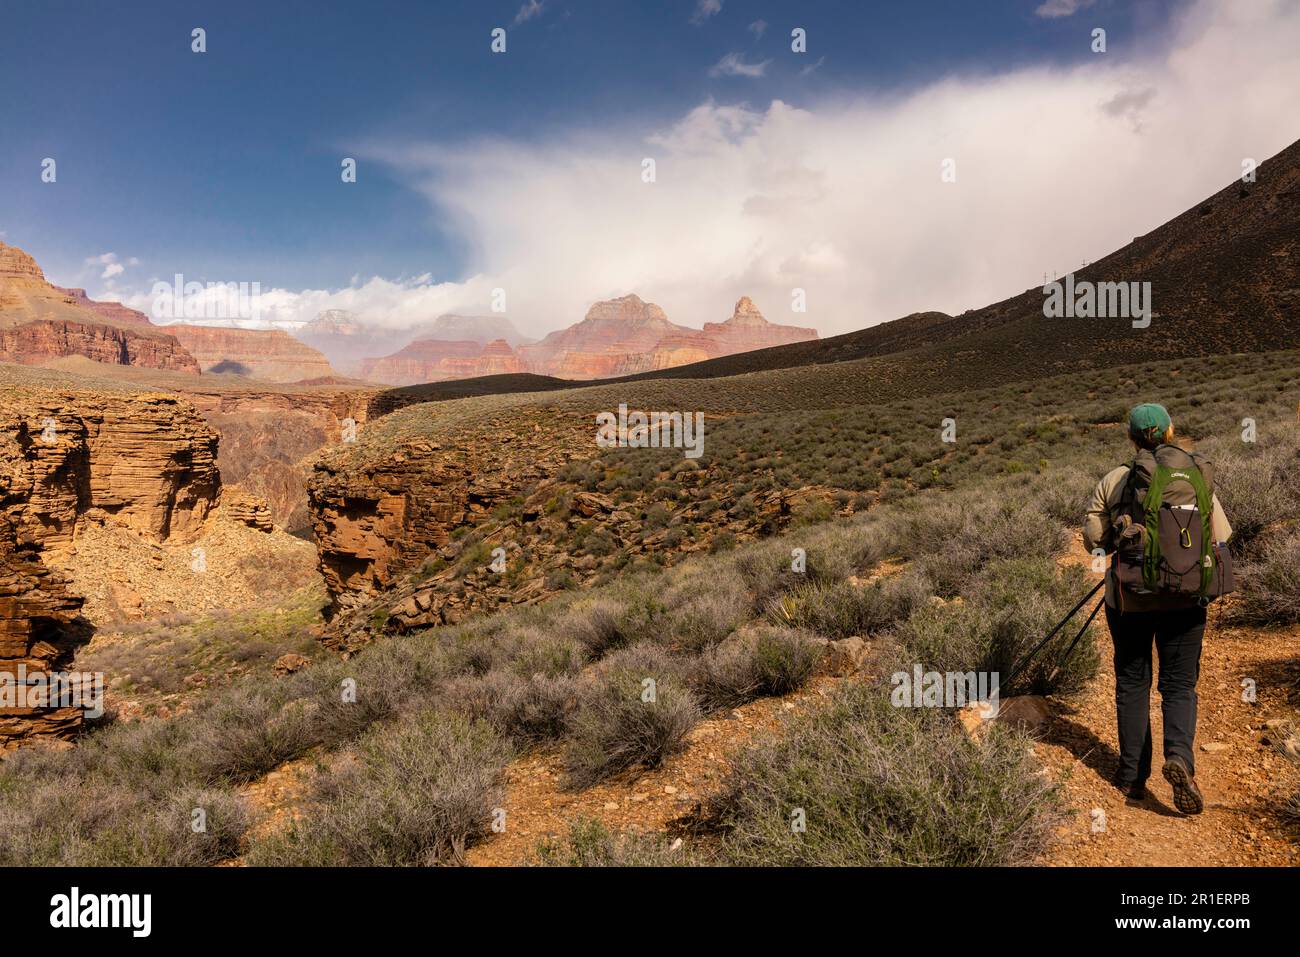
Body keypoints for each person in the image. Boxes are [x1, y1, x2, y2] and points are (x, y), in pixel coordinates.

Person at [1082, 403, 1233, 814]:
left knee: (1133, 682)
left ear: (1131, 437)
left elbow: (1094, 540)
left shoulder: (1117, 480)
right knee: (1179, 686)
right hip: (1186, 596)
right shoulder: (1194, 476)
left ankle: (1132, 778)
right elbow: (1222, 534)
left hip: (1131, 599)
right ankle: (1180, 759)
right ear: (1170, 432)